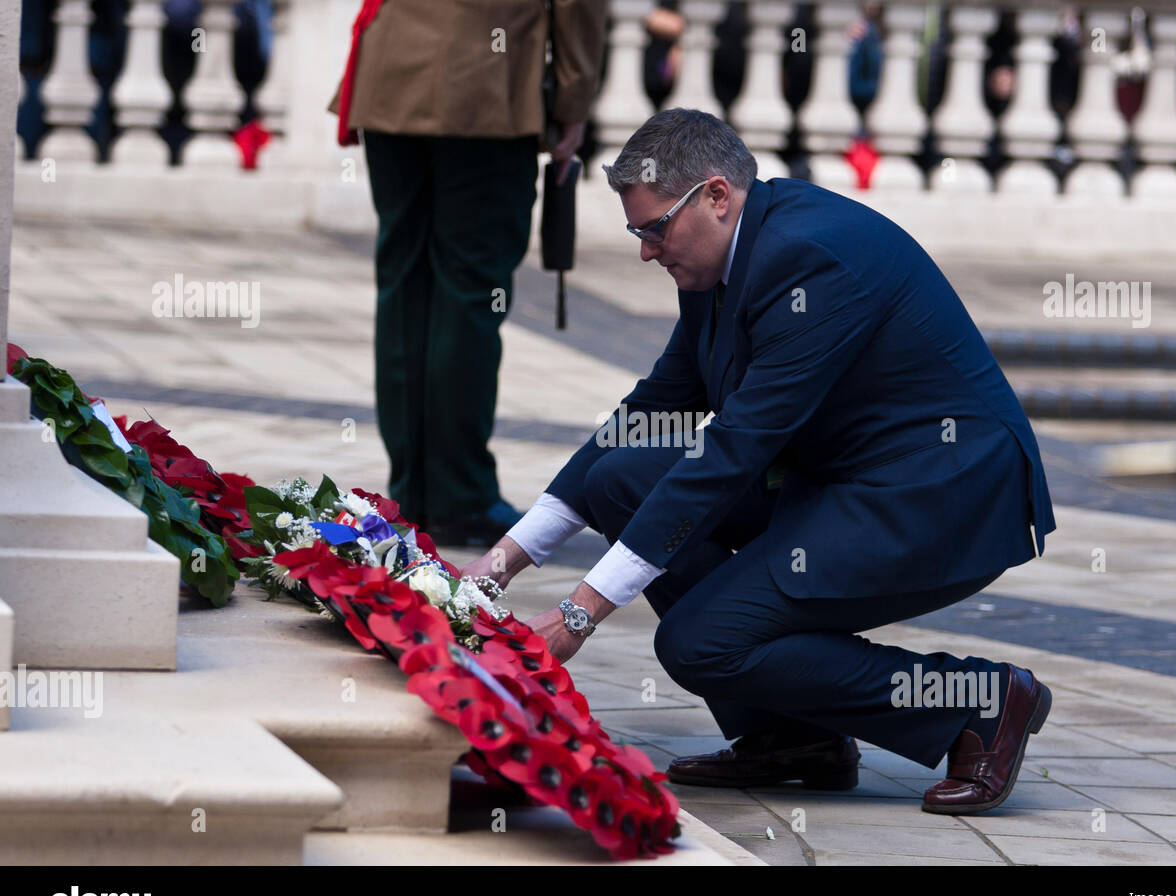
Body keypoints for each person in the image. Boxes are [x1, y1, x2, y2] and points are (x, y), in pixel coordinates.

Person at [461, 109, 1058, 814]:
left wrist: (579, 613)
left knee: (700, 643)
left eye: (654, 229)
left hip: (938, 495)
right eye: (637, 232)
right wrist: (495, 568)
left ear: (717, 195)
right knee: (619, 477)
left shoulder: (812, 258)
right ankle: (793, 741)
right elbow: (650, 411)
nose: (646, 252)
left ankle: (978, 705)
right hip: (842, 474)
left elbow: (734, 448)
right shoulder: (723, 258)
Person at [328, 0, 608, 546]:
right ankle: (459, 495)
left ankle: (413, 490)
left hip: (391, 71)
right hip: (485, 87)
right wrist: (574, 100)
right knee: (471, 291)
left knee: (406, 286)